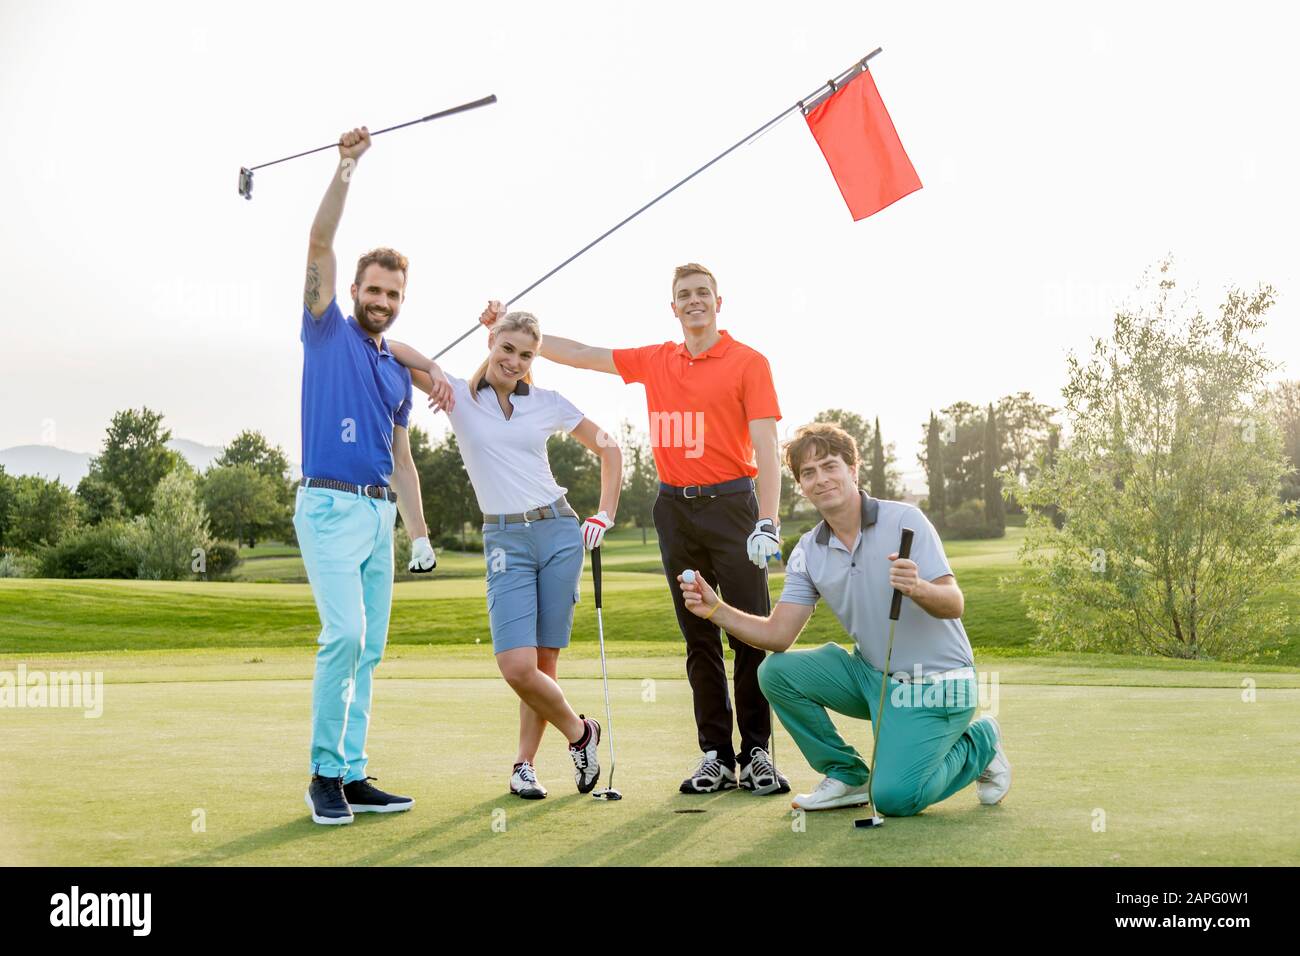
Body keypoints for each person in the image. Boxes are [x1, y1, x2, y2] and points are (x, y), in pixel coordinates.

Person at [492, 262, 789, 796]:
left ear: (719, 302)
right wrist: (510, 333)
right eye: (684, 295)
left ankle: (759, 752)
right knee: (699, 638)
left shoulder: (749, 362)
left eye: (703, 293)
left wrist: (767, 519)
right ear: (672, 307)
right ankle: (717, 756)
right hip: (675, 509)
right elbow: (581, 355)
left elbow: (766, 447)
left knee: (748, 632)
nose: (694, 301)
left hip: (733, 507)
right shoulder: (657, 360)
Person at [676, 421, 1011, 814]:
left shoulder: (906, 521)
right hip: (872, 677)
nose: (820, 479)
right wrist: (716, 610)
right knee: (776, 672)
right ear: (800, 486)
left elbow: (954, 603)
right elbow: (779, 634)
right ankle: (848, 774)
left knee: (894, 798)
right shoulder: (808, 549)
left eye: (830, 466)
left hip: (938, 684)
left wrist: (918, 587)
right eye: (808, 473)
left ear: (853, 470)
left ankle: (981, 743)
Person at [389, 312, 622, 800]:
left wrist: (604, 513)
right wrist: (435, 372)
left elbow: (609, 448)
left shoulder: (546, 403)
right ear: (490, 340)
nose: (514, 361)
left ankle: (524, 766)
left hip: (558, 531)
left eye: (526, 355)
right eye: (507, 348)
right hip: (504, 541)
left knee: (544, 664)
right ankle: (581, 734)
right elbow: (391, 348)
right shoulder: (456, 394)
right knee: (518, 666)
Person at [298, 126, 451, 825]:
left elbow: (404, 460)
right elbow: (318, 244)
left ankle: (352, 771)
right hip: (328, 506)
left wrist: (418, 534)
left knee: (372, 647)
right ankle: (323, 773)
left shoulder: (396, 370)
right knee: (345, 637)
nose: (382, 298)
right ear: (354, 289)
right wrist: (347, 168)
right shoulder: (325, 327)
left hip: (379, 512)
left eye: (394, 292)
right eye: (375, 288)